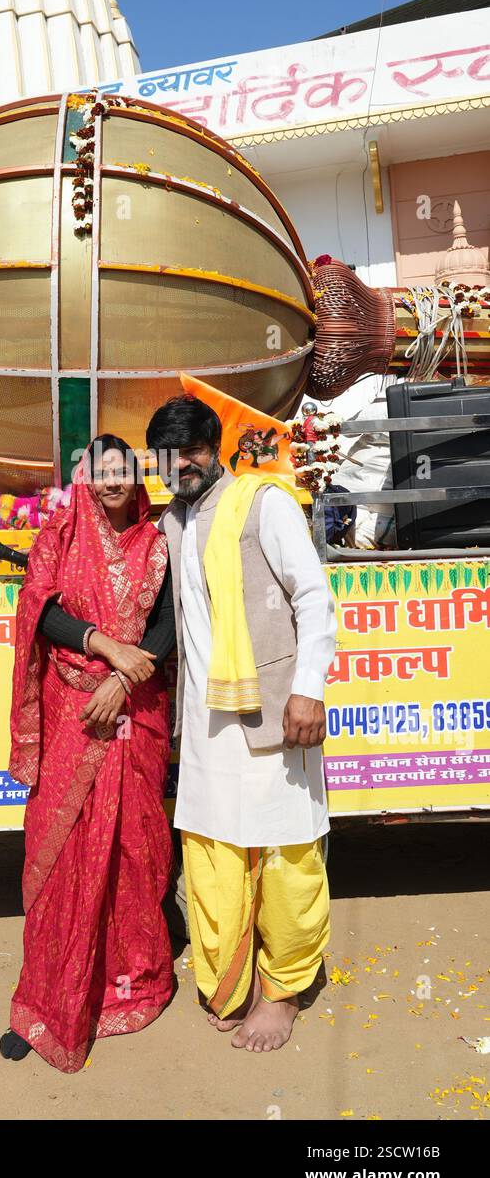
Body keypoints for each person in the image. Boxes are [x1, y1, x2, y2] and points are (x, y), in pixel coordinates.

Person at [145, 395, 336, 1054]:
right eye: (170, 461)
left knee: (286, 852)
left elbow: (312, 597)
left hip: (274, 711)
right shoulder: (173, 520)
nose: (182, 469)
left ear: (215, 446)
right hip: (205, 725)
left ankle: (280, 990)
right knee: (212, 856)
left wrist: (307, 691)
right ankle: (228, 984)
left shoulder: (265, 502)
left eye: (191, 454)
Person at [1, 435, 176, 1072]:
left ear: (137, 478)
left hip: (133, 709)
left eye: (122, 471)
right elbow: (39, 612)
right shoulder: (58, 539)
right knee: (60, 847)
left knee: (132, 846)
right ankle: (45, 1001)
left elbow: (167, 624)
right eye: (100, 472)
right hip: (71, 715)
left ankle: (131, 984)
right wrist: (105, 647)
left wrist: (124, 678)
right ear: (85, 479)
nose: (111, 482)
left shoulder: (158, 544)